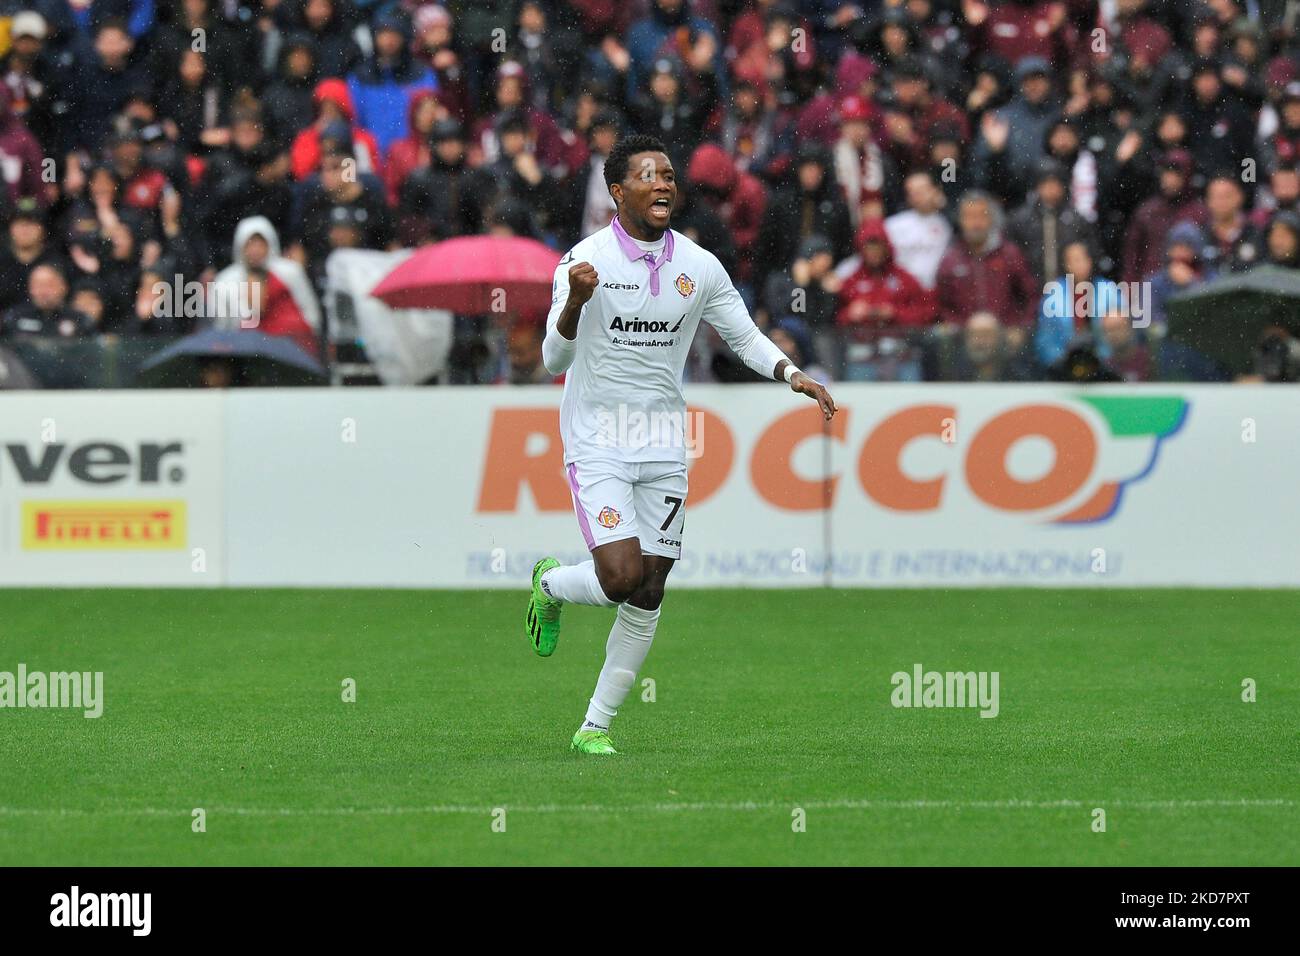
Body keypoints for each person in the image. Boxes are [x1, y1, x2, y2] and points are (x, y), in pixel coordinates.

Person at [525, 134, 835, 756]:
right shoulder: (583, 263)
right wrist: (574, 306)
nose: (662, 184)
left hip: (664, 441)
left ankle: (595, 726)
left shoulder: (699, 265)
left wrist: (790, 373)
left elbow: (743, 337)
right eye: (647, 176)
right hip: (599, 438)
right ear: (618, 193)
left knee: (651, 585)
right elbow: (552, 357)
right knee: (618, 576)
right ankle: (552, 585)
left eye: (668, 174)